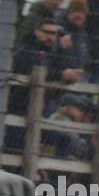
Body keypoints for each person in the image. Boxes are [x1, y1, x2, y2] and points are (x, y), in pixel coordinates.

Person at [5, 18, 59, 153]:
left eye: (54, 33)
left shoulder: (53, 53)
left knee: (66, 141)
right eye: (47, 32)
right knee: (14, 152)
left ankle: (59, 175)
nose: (50, 36)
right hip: (20, 109)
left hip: (41, 113)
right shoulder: (26, 49)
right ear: (37, 32)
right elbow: (31, 70)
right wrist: (61, 75)